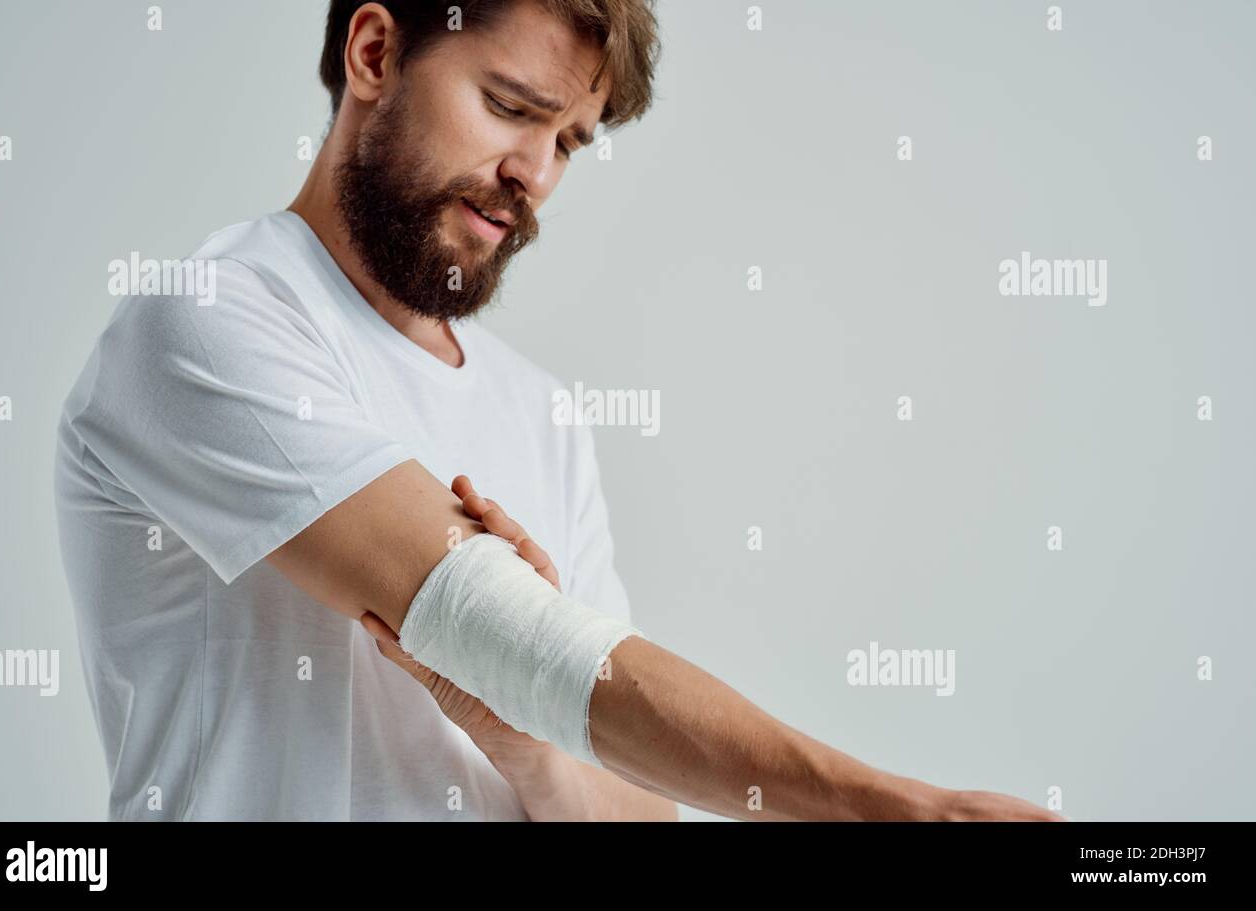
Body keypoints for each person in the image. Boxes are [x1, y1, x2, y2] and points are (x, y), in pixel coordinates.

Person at [54, 0, 1058, 821]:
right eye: (508, 105)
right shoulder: (208, 321)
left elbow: (627, 805)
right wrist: (907, 811)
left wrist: (529, 745)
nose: (533, 174)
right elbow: (501, 629)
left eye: (569, 142)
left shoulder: (535, 410)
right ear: (373, 52)